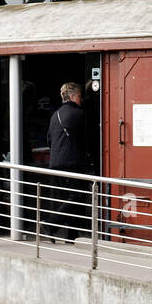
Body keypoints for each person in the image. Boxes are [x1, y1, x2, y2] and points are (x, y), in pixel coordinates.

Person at [47, 82, 92, 242]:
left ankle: (71, 235)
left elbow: (49, 140)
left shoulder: (55, 115)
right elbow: (86, 139)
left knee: (69, 198)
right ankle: (50, 225)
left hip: (56, 163)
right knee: (78, 197)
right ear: (72, 96)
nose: (82, 99)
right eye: (80, 96)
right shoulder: (79, 114)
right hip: (73, 162)